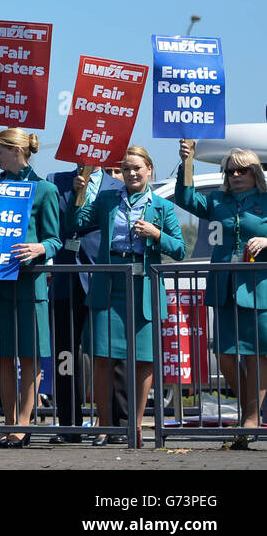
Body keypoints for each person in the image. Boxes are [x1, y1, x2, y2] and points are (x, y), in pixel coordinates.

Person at [71, 145, 184, 447]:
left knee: (144, 359)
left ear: (149, 169)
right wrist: (79, 195)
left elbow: (180, 249)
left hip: (143, 286)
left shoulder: (162, 206)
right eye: (126, 168)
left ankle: (134, 426)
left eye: (137, 168)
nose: (132, 173)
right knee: (102, 357)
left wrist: (157, 234)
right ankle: (105, 424)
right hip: (109, 283)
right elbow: (78, 225)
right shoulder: (107, 199)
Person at [174, 141, 267, 449]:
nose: (236, 175)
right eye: (230, 170)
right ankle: (251, 411)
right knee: (225, 353)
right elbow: (184, 197)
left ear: (255, 172)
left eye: (242, 170)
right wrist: (187, 163)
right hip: (223, 285)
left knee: (257, 355)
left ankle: (250, 419)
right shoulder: (217, 200)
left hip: (259, 287)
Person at [0, 127, 62, 447]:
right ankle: (7, 422)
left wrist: (39, 248)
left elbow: (55, 239)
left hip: (31, 285)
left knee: (30, 356)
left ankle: (22, 423)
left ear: (16, 152)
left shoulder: (44, 190)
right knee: (4, 356)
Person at [49, 165, 128, 443]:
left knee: (111, 354)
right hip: (66, 279)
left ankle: (119, 425)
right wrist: (74, 193)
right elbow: (58, 226)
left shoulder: (117, 186)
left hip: (102, 278)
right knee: (65, 356)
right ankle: (69, 424)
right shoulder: (55, 180)